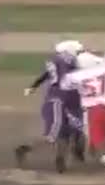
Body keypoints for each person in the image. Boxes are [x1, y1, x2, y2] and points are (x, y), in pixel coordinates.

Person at [17, 41, 84, 174]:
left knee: (68, 131)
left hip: (67, 99)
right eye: (77, 51)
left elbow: (45, 76)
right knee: (56, 133)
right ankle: (29, 150)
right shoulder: (67, 62)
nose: (79, 54)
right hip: (59, 100)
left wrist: (32, 87)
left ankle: (62, 158)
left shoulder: (56, 60)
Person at [60, 52, 105, 179]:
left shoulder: (74, 76)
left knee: (96, 141)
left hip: (92, 111)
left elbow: (64, 86)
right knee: (104, 138)